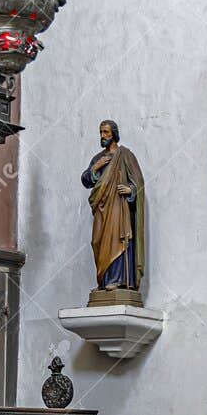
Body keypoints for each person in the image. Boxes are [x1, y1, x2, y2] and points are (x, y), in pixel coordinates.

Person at [82, 120, 147, 296]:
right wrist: (95, 168)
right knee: (98, 241)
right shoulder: (98, 158)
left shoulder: (125, 155)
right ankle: (103, 280)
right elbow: (86, 181)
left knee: (118, 239)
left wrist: (130, 189)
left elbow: (139, 183)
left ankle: (118, 280)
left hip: (119, 207)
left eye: (106, 132)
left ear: (114, 134)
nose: (102, 136)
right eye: (101, 132)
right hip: (101, 209)